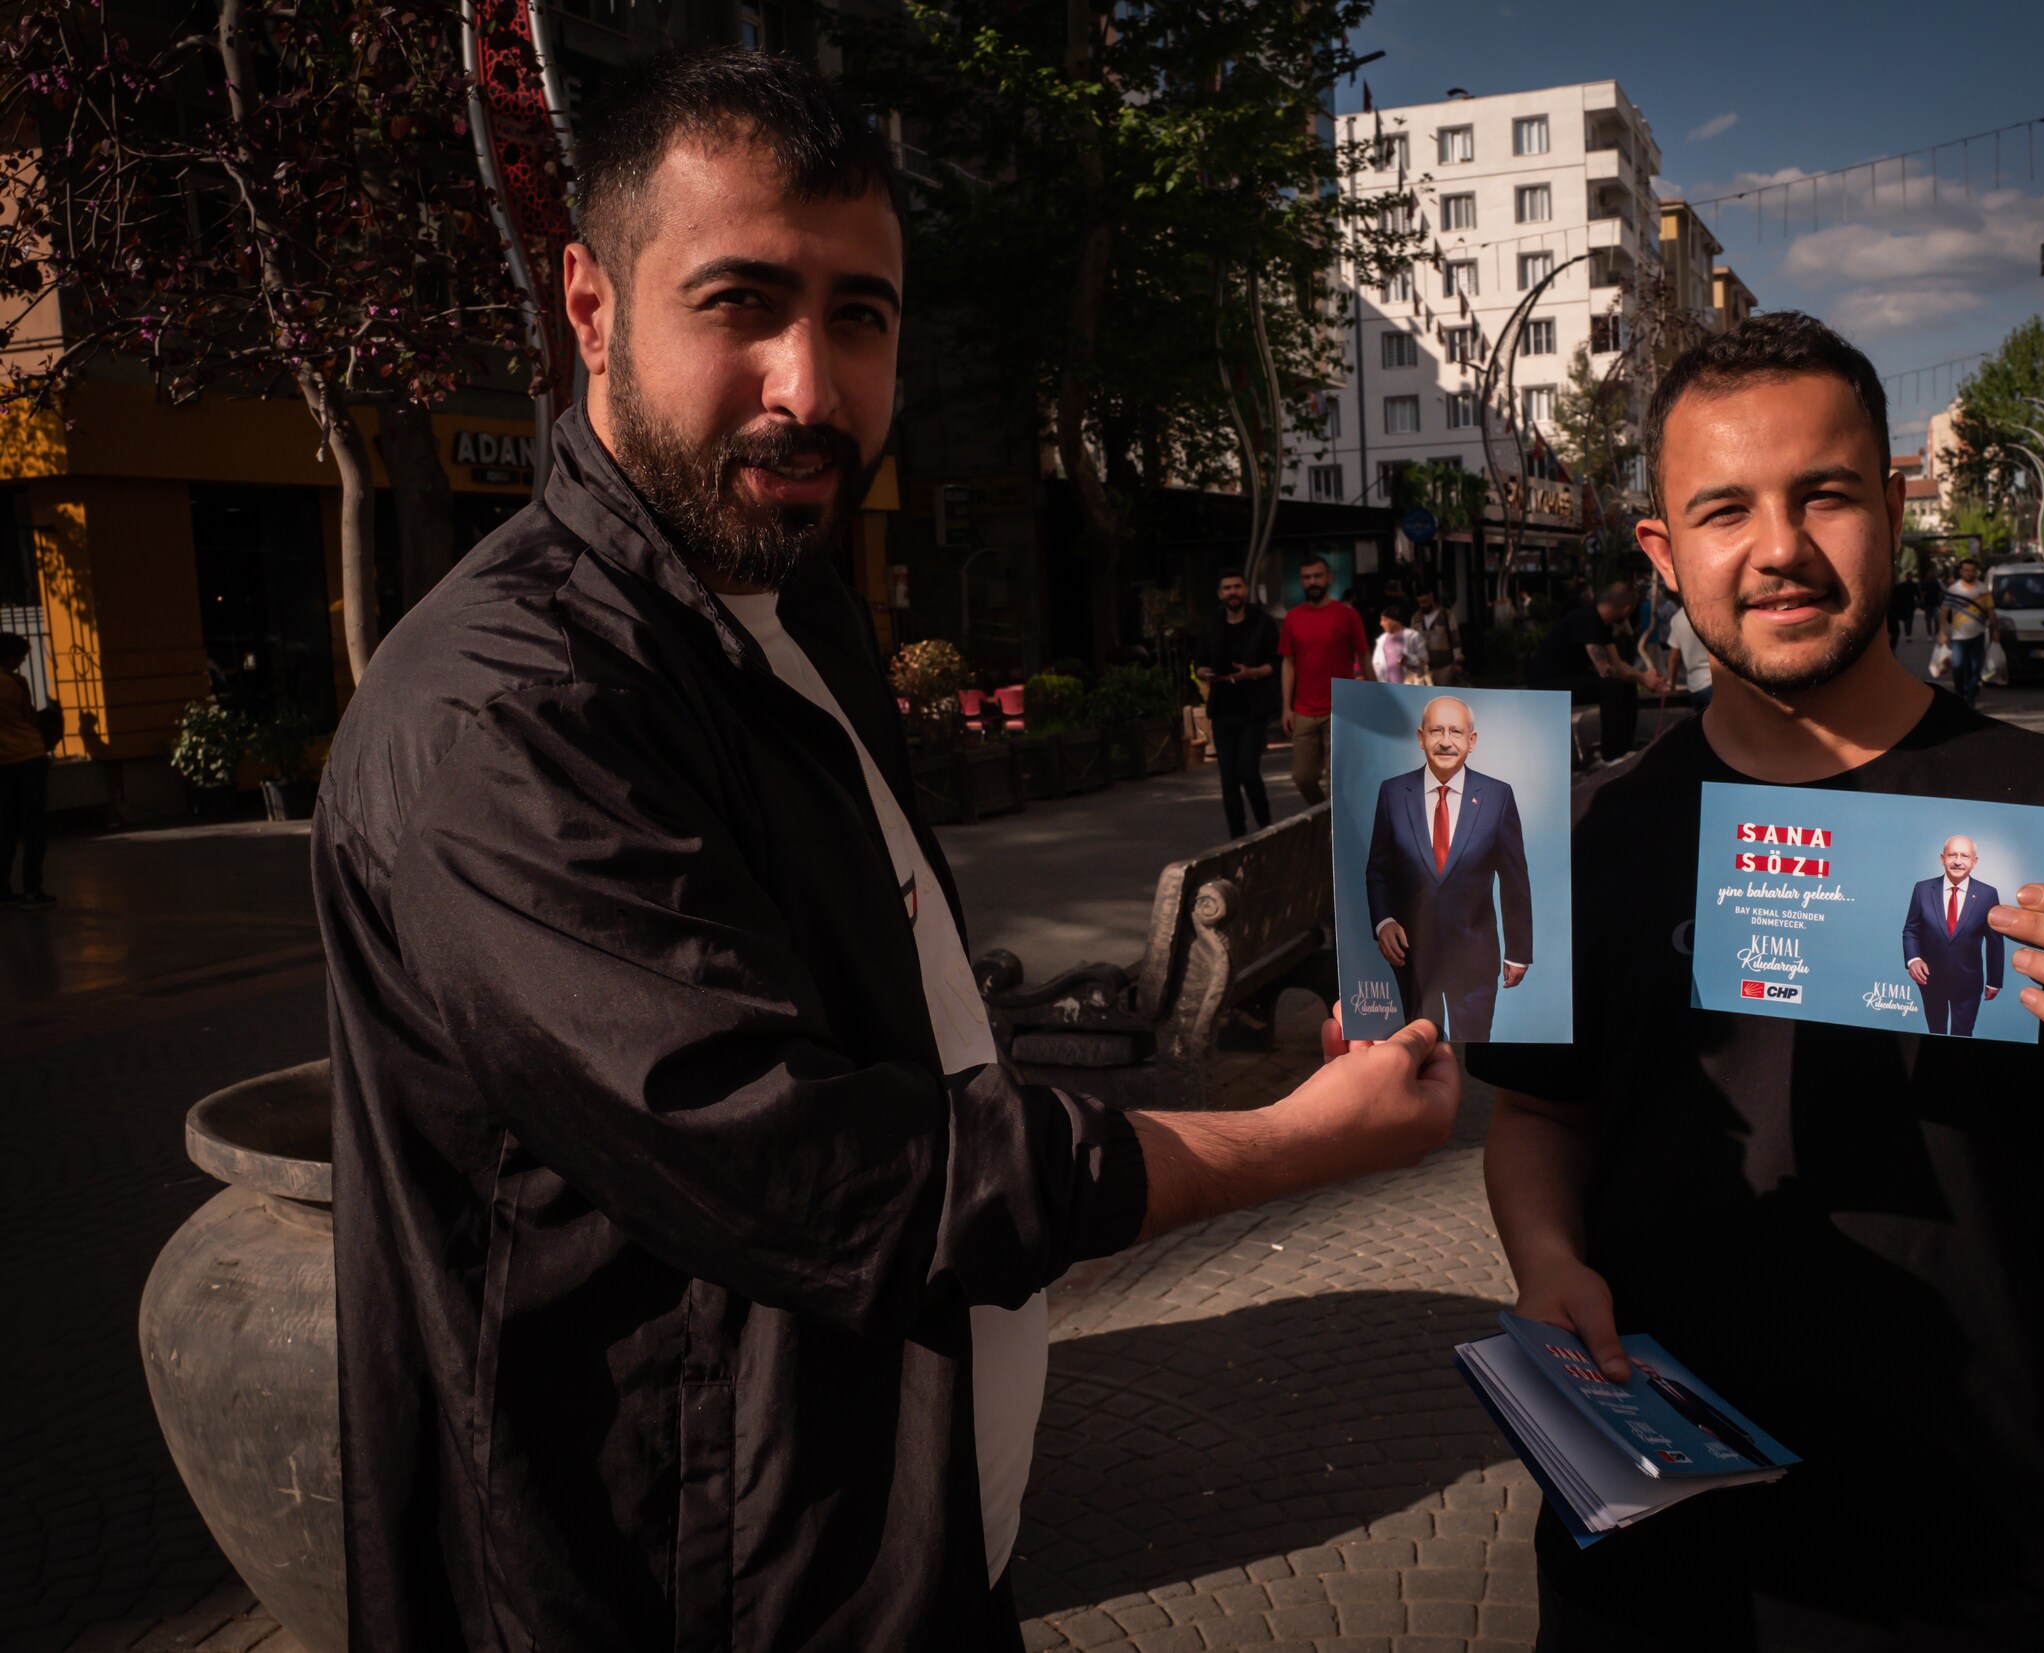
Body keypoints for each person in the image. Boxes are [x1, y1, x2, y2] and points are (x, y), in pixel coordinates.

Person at [310, 52, 1462, 1653]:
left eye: (861, 317)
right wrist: (1297, 1139)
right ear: (588, 304)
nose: (810, 383)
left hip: (893, 1547)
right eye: (741, 302)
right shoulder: (501, 715)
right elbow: (842, 1176)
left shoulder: (799, 610)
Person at [1471, 311, 2044, 1650]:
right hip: (1654, 1545)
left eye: (1823, 493)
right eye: (1725, 510)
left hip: (1960, 1553)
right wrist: (1545, 1262)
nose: (1778, 547)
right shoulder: (1592, 827)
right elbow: (1540, 1110)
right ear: (1663, 552)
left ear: (1893, 509)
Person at [1365, 695, 1531, 1041]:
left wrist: (1518, 952)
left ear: (1472, 741)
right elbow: (1379, 870)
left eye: (1455, 731)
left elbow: (1515, 881)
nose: (1445, 740)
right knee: (1420, 1053)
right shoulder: (1393, 793)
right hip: (1412, 958)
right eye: (1436, 730)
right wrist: (1384, 920)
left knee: (1476, 1060)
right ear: (1420, 736)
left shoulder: (1497, 796)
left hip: (1475, 959)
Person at [1531, 579, 1663, 764]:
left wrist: (1644, 678)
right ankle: (1612, 754)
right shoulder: (1587, 620)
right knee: (1610, 687)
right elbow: (1606, 670)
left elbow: (1618, 664)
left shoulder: (1602, 624)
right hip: (1547, 682)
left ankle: (1624, 747)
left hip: (1566, 678)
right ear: (1627, 608)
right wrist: (1643, 678)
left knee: (1625, 684)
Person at [1193, 567, 1281, 837]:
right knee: (1228, 777)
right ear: (1220, 593)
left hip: (1252, 709)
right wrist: (1205, 673)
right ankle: (1237, 836)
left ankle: (1266, 828)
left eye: (1237, 587)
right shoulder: (1211, 624)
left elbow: (1275, 664)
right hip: (1222, 709)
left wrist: (1251, 673)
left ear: (1245, 590)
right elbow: (1198, 664)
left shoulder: (1262, 622)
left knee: (1248, 771)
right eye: (1227, 588)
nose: (1233, 592)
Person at [1279, 551, 1368, 804]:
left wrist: (1373, 699)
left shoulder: (1347, 615)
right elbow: (1288, 663)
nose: (1312, 581)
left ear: (1329, 578)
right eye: (1306, 577)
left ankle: (1335, 832)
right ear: (1301, 581)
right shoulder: (1293, 618)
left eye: (1317, 576)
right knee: (1303, 777)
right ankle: (1325, 817)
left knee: (1336, 780)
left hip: (1340, 708)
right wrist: (1286, 707)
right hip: (1304, 711)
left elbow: (1363, 657)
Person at [1900, 834, 2007, 1037]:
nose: (1958, 861)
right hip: (1930, 981)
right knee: (1936, 1033)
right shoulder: (1922, 889)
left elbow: (1994, 942)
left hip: (1968, 983)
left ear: (1974, 861)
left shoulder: (1988, 894)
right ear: (1942, 858)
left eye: (1965, 856)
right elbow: (1911, 930)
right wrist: (1913, 959)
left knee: (1963, 1036)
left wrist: (1994, 980)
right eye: (1952, 855)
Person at [0, 631, 55, 906]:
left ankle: (3, 892)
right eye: (19, 657)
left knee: (6, 829)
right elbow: (28, 718)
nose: (21, 662)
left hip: (3, 764)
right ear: (9, 657)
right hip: (30, 757)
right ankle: (33, 889)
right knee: (33, 829)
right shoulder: (16, 683)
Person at [1937, 555, 1994, 708]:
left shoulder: (1983, 589)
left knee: (1975, 668)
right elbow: (1944, 612)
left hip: (1978, 635)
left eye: (1972, 571)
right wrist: (1942, 632)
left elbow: (1991, 611)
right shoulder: (1953, 590)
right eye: (1966, 570)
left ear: (1976, 572)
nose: (1969, 573)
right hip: (1958, 636)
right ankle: (1960, 692)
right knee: (1957, 667)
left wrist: (1995, 631)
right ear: (1961, 571)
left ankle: (1969, 700)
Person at [1663, 603, 1713, 712]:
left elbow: (1673, 658)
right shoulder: (1712, 611)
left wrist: (1670, 683)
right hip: (1715, 682)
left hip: (1695, 686)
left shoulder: (1677, 618)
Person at [1412, 588, 1461, 685]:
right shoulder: (1416, 618)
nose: (1422, 605)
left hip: (1444, 666)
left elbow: (1456, 639)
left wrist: (1458, 661)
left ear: (1431, 597)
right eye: (1420, 602)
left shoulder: (1446, 615)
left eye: (1424, 602)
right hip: (1424, 668)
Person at [1371, 601, 1427, 685]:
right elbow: (1376, 664)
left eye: (1384, 620)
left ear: (1394, 621)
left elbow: (1425, 660)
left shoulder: (1412, 636)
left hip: (1410, 686)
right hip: (1388, 688)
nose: (1381, 623)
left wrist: (1409, 659)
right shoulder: (1381, 640)